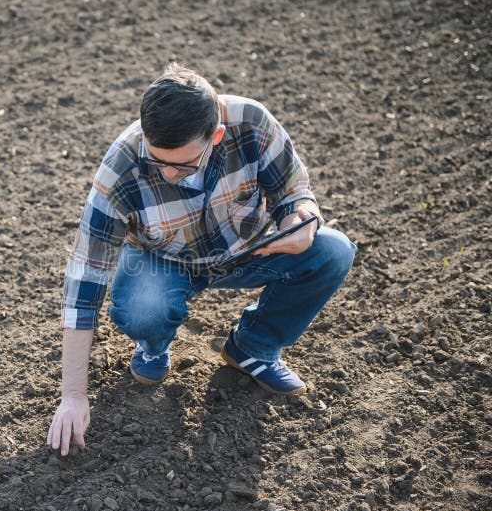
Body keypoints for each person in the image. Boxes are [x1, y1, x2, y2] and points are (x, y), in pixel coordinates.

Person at [46, 63, 356, 456]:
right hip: (163, 261)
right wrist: (73, 395)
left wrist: (302, 222)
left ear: (217, 136)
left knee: (333, 251)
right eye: (159, 163)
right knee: (143, 308)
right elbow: (84, 279)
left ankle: (253, 347)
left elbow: (295, 191)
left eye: (184, 163)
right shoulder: (120, 169)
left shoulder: (252, 123)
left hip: (249, 250)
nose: (170, 174)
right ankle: (153, 346)